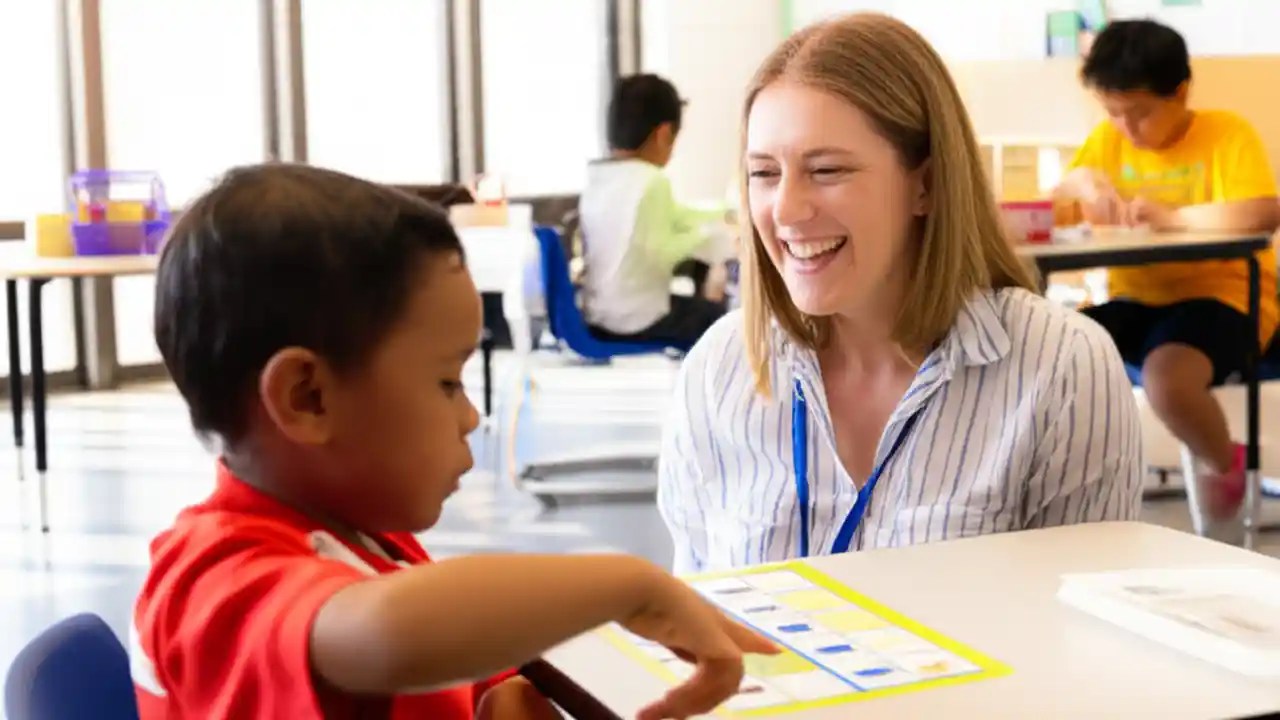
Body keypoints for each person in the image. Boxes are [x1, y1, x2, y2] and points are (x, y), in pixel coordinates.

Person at [132, 164, 777, 719]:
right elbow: (388, 632)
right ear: (309, 398)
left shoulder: (360, 536)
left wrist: (500, 697)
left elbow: (446, 659)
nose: (470, 417)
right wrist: (629, 586)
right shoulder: (211, 582)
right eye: (447, 382)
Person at [656, 13, 1144, 574]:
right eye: (764, 173)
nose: (785, 210)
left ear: (927, 185)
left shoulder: (1059, 367)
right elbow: (695, 622)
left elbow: (1085, 639)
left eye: (827, 169)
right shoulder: (720, 371)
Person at [1055, 19, 1280, 540]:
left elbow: (1261, 213)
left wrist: (1174, 218)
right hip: (1137, 298)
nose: (1127, 129)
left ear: (1180, 91)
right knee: (1057, 351)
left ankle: (1222, 462)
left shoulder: (1225, 133)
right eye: (1113, 113)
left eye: (1141, 113)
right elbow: (1060, 203)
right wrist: (1077, 181)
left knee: (1166, 378)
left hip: (1227, 298)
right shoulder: (1107, 140)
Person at [579, 73, 734, 348]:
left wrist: (723, 211)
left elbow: (674, 215)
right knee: (721, 320)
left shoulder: (601, 180)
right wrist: (706, 236)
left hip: (598, 314)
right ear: (664, 134)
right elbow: (663, 253)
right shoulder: (651, 181)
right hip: (637, 320)